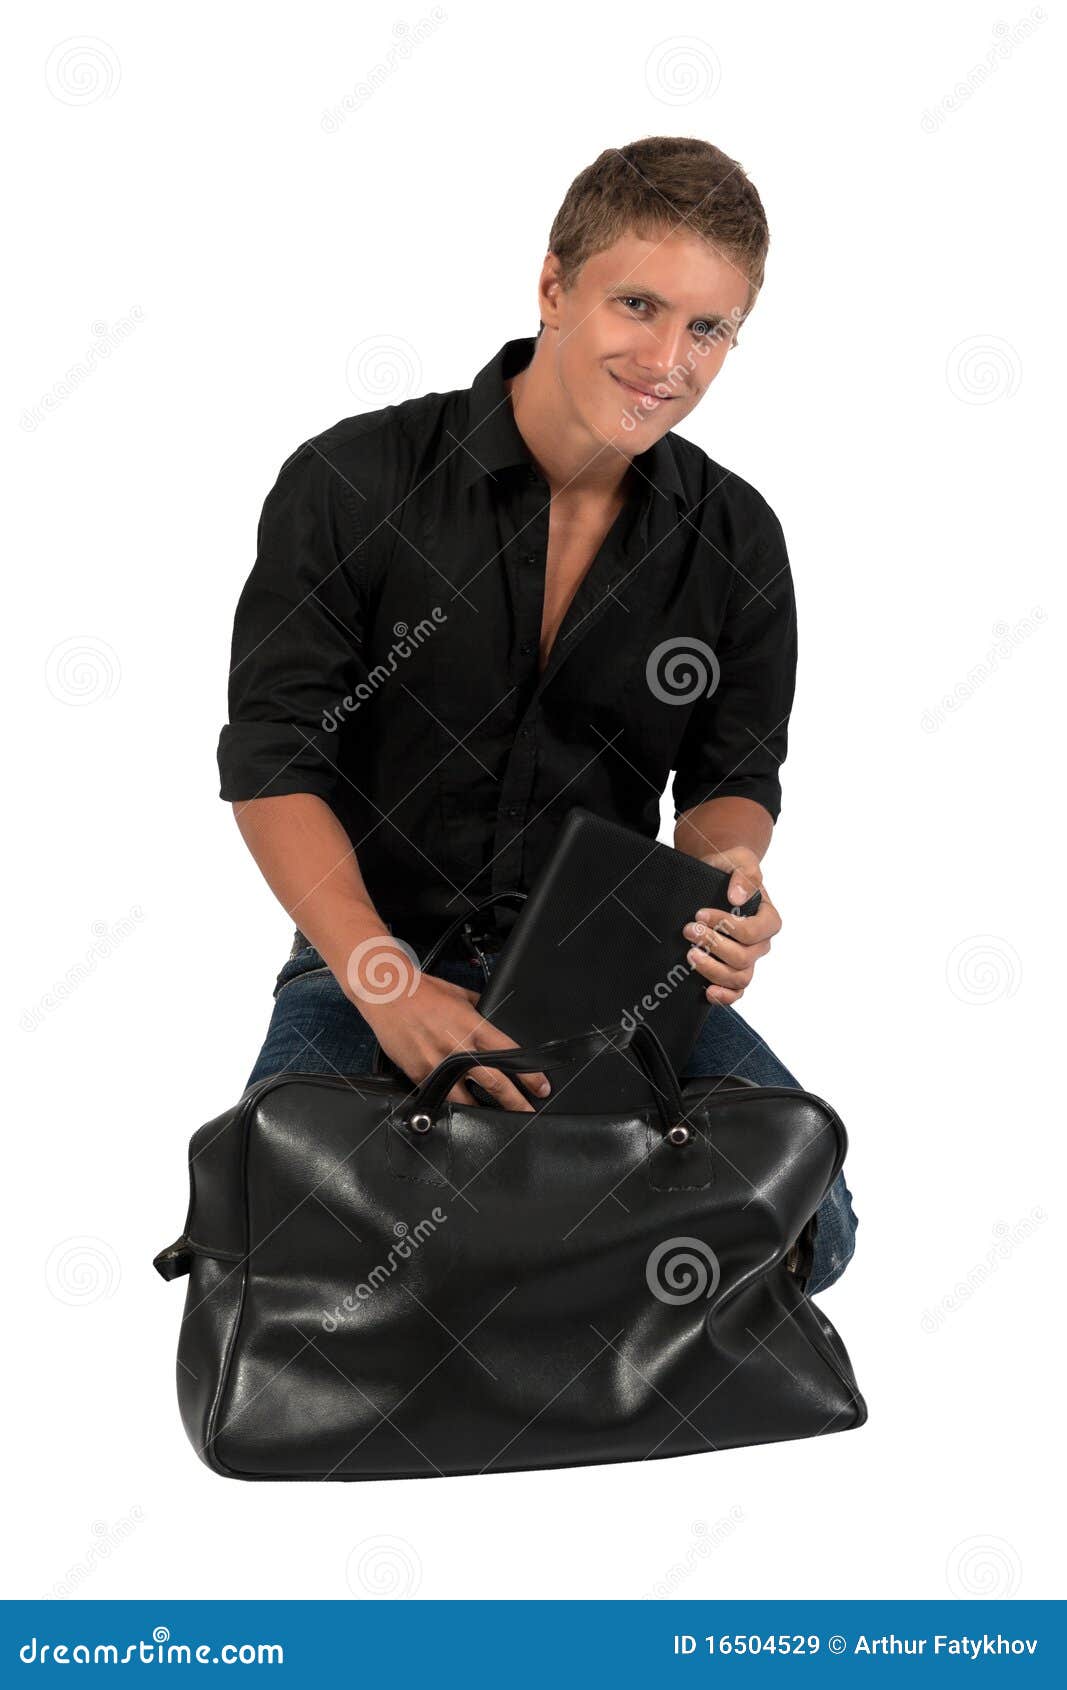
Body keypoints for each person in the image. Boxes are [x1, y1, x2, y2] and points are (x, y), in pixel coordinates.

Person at [218, 136, 858, 1295]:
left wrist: (727, 877)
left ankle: (526, 1309)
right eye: (637, 305)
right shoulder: (352, 481)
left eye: (708, 328)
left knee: (812, 1218)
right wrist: (383, 981)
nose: (666, 361)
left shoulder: (734, 538)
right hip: (369, 943)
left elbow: (729, 779)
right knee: (284, 1227)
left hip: (607, 965)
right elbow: (273, 759)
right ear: (554, 285)